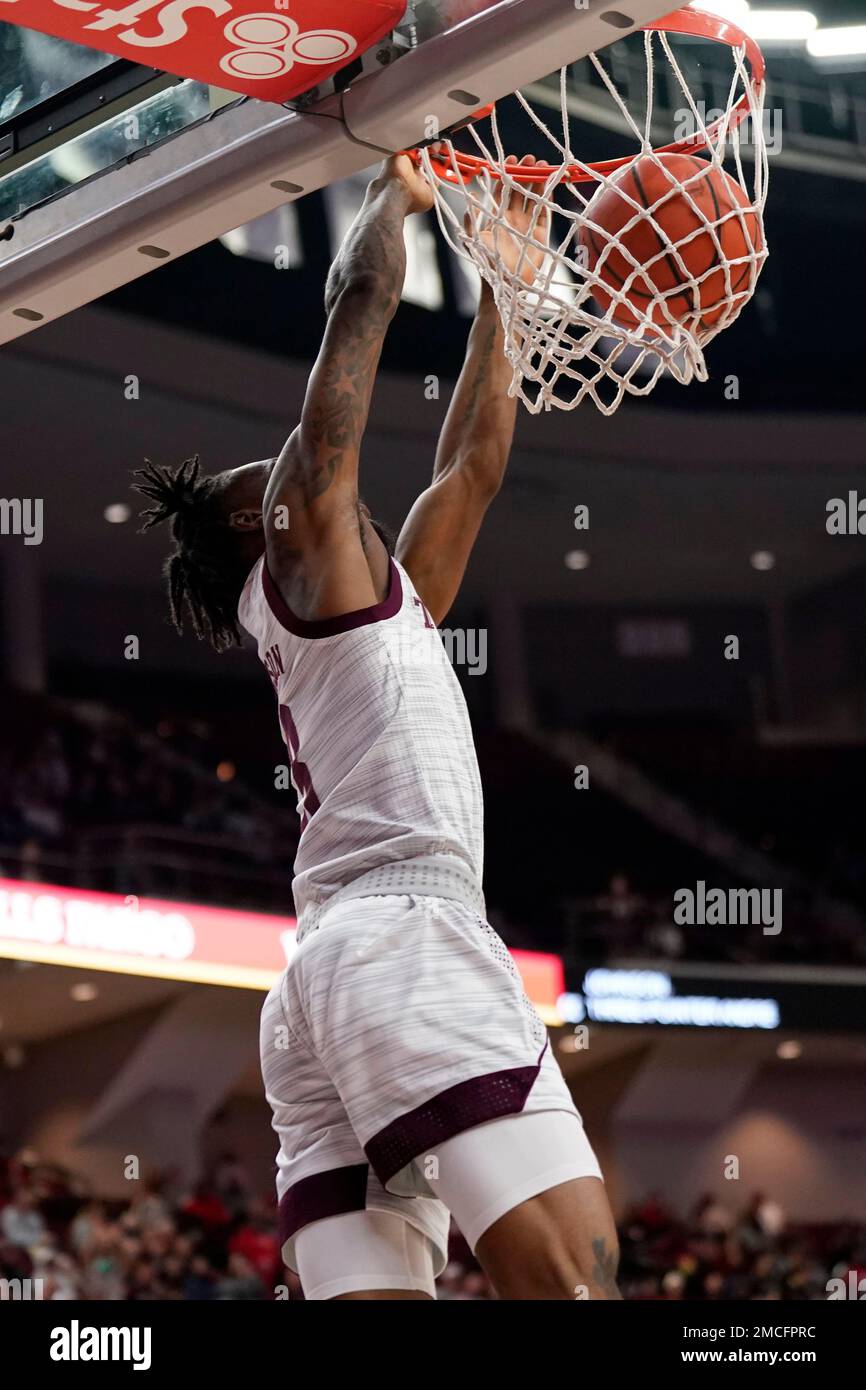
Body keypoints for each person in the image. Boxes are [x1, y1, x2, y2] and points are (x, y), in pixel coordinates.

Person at [135, 153, 620, 1301]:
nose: (290, 460)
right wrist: (394, 186)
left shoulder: (370, 602)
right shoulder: (300, 563)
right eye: (271, 477)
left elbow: (472, 459)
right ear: (260, 527)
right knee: (576, 1284)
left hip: (335, 972)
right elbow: (354, 314)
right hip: (401, 938)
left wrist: (506, 279)